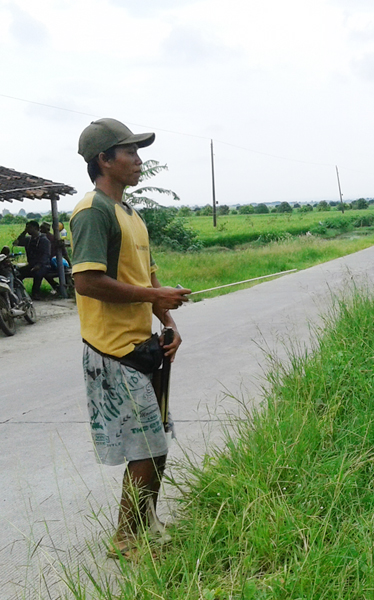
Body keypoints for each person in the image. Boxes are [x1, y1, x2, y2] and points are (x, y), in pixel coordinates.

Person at [72, 117, 191, 559]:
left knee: (156, 443)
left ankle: (146, 525)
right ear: (104, 160)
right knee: (144, 448)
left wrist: (170, 325)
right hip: (113, 350)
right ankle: (125, 538)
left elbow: (146, 279)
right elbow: (87, 282)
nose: (139, 161)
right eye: (130, 153)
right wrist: (154, 295)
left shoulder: (131, 215)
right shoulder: (92, 211)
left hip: (144, 346)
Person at [14, 220, 51, 300]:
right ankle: (20, 293)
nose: (28, 230)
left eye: (30, 227)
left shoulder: (44, 240)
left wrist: (39, 265)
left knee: (37, 274)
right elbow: (17, 242)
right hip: (31, 264)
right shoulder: (28, 240)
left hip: (44, 265)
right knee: (17, 274)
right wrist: (24, 232)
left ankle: (35, 293)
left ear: (36, 228)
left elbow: (46, 255)